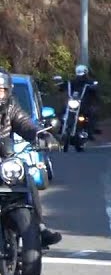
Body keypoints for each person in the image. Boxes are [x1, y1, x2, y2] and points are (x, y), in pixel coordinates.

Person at [0, 69, 62, 247]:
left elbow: (24, 123)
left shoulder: (11, 106)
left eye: (1, 90)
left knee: (26, 177)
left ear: (8, 90)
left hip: (4, 158)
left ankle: (39, 227)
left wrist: (40, 136)